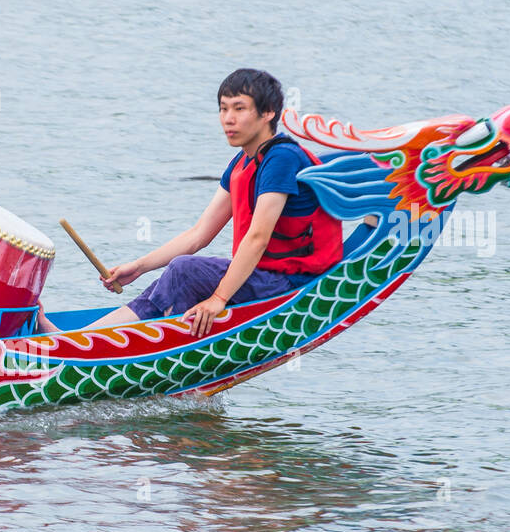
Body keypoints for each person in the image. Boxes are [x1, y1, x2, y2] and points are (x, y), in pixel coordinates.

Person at [82, 68, 343, 336]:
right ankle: (83, 339)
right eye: (223, 109)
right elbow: (198, 235)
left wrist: (219, 298)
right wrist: (138, 267)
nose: (228, 119)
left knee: (184, 270)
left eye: (239, 109)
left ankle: (162, 340)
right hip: (261, 276)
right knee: (175, 276)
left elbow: (257, 238)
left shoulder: (282, 158)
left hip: (290, 283)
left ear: (268, 113)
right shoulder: (241, 162)